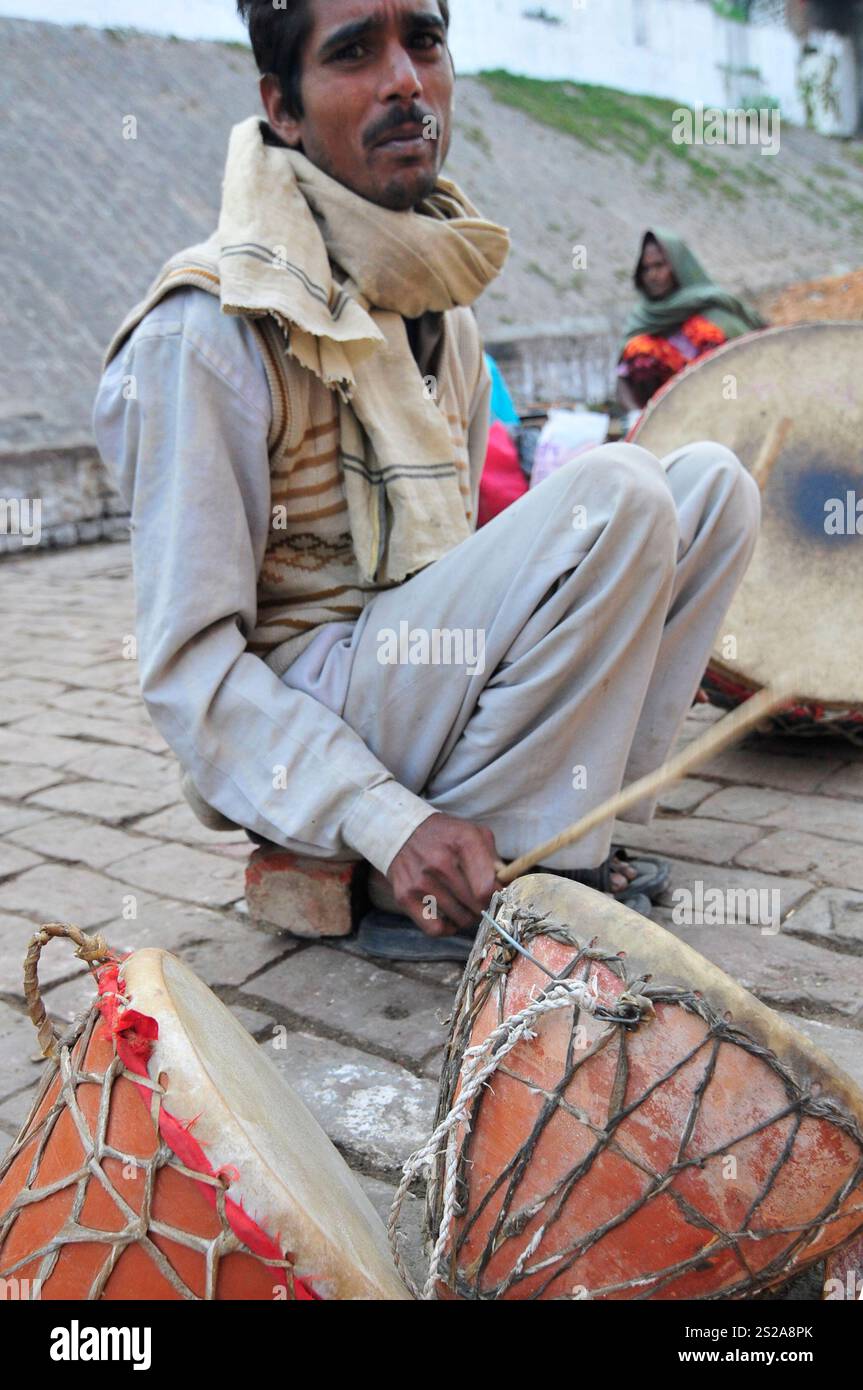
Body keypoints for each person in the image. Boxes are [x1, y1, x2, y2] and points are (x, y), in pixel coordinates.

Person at [93, 0, 761, 962]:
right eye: (355, 52)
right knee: (619, 493)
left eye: (424, 42)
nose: (404, 80)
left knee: (709, 487)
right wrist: (378, 816)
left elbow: (460, 550)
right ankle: (494, 865)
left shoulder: (439, 304)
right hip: (305, 706)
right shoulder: (206, 335)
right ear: (282, 107)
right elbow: (188, 674)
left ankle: (574, 817)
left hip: (413, 659)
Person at [619, 230, 766, 411]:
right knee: (638, 347)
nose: (652, 275)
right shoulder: (641, 320)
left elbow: (753, 358)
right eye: (646, 268)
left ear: (678, 266)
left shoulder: (712, 310)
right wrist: (639, 416)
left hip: (728, 407)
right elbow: (622, 382)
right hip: (669, 418)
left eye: (659, 266)